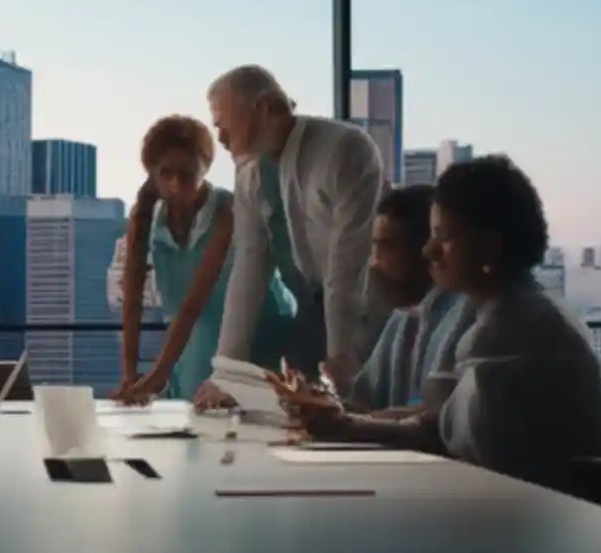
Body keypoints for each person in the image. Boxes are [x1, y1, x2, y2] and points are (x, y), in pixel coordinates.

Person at [273, 155, 601, 490]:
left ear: (490, 248)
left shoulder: (514, 328)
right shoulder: (516, 312)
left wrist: (347, 425)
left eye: (445, 237)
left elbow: (446, 442)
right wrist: (344, 421)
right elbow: (439, 420)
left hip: (573, 525)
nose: (429, 252)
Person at [208, 65, 383, 395]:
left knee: (358, 417)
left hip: (366, 312)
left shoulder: (343, 149)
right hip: (311, 311)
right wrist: (227, 372)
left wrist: (340, 358)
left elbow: (347, 268)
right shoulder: (251, 173)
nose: (220, 137)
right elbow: (249, 268)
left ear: (261, 108)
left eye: (222, 122)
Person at [111, 116, 295, 403]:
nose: (175, 184)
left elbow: (192, 304)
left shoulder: (228, 212)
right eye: (166, 173)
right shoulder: (148, 216)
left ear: (205, 168)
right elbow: (132, 303)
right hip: (191, 339)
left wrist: (154, 378)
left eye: (186, 173)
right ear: (152, 173)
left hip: (254, 327)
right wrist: (128, 377)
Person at [348, 185, 475, 415]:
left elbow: (444, 421)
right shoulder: (401, 322)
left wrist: (358, 423)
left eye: (386, 247)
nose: (374, 263)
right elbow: (361, 402)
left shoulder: (470, 321)